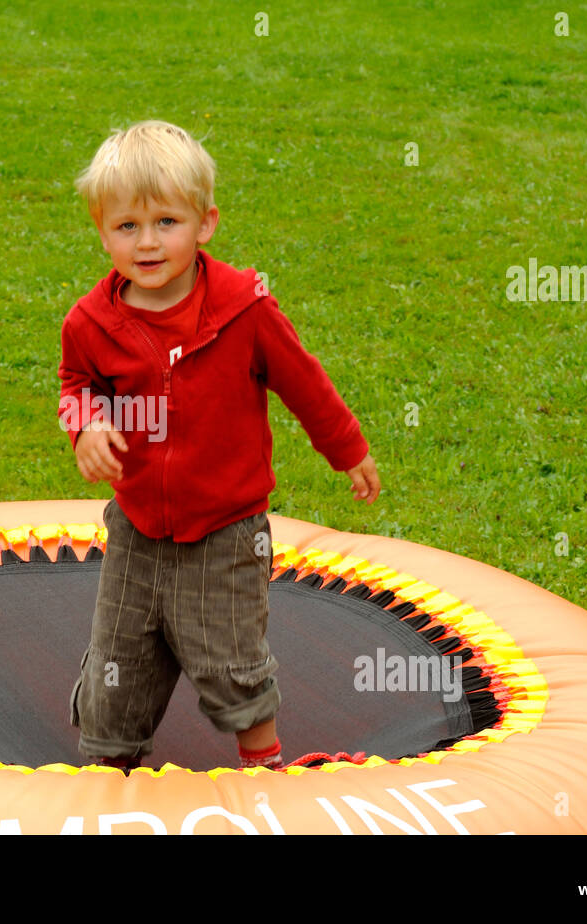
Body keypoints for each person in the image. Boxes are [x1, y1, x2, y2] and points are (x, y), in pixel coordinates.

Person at [58, 120, 380, 773]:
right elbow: (76, 385)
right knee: (118, 666)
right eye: (126, 227)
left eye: (166, 222)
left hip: (228, 533)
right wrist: (86, 423)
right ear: (102, 231)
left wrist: (346, 447)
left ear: (205, 224)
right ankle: (104, 772)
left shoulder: (244, 310)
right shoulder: (91, 324)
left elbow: (304, 381)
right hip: (138, 532)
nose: (147, 242)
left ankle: (263, 765)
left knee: (232, 663)